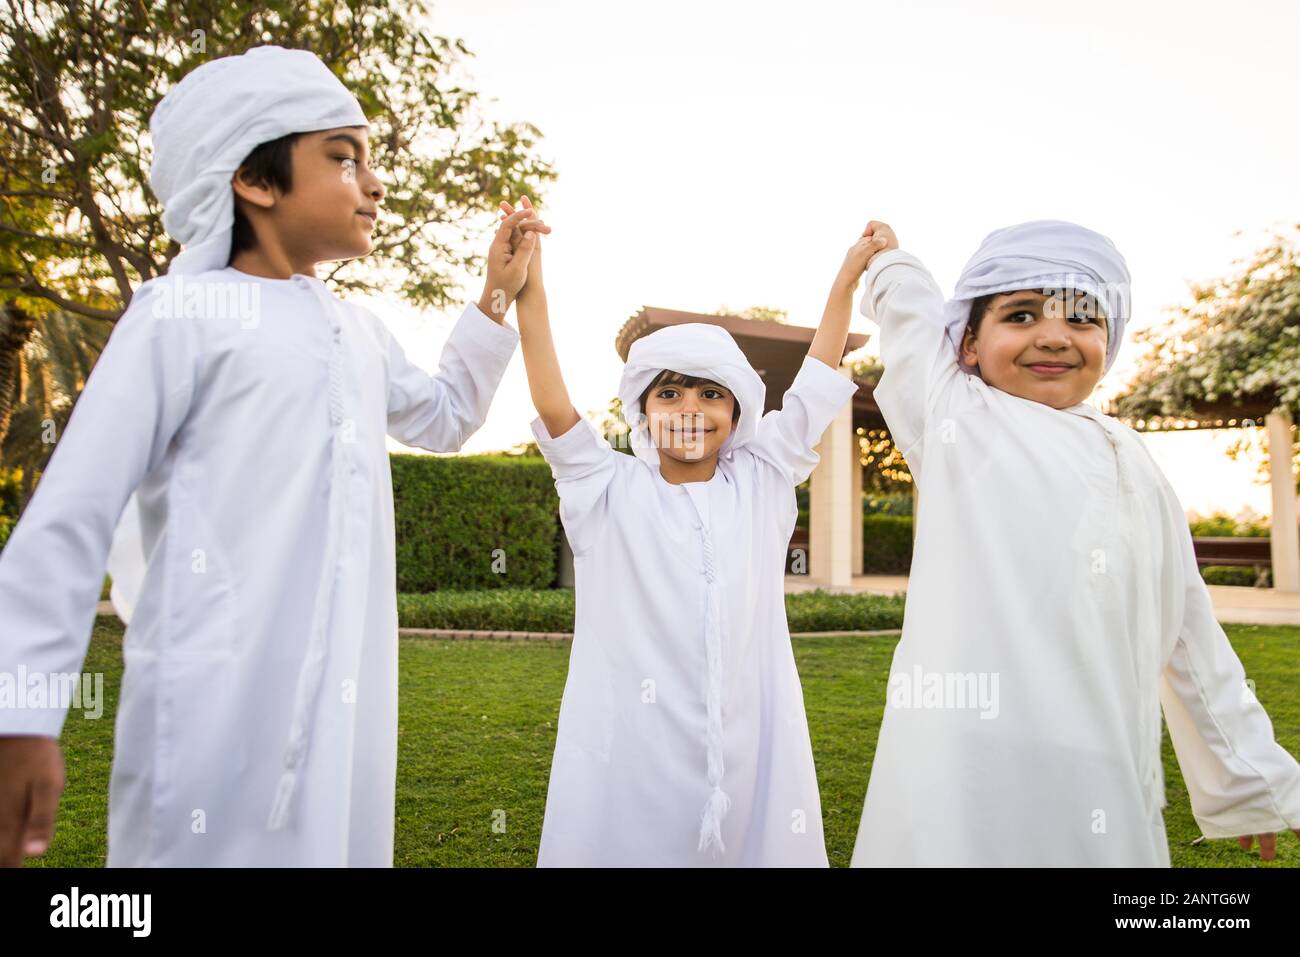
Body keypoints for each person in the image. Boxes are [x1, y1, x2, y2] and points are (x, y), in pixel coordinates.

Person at [0, 45, 548, 867]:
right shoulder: (179, 314)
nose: (375, 182)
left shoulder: (353, 329)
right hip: (210, 715)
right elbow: (73, 516)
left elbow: (442, 416)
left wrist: (496, 294)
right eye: (342, 157)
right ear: (254, 181)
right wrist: (23, 712)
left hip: (344, 715)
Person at [850, 219, 1300, 866]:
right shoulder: (957, 418)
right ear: (969, 344)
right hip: (967, 769)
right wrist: (891, 261)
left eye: (1082, 318)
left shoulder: (1134, 460)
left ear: (1107, 341)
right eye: (1022, 314)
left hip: (1105, 767)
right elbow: (913, 319)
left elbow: (1187, 628)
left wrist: (1253, 779)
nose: (1054, 336)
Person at [511, 196, 883, 865]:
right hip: (634, 758)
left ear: (738, 411)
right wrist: (530, 289)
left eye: (712, 394)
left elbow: (818, 379)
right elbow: (551, 402)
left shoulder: (762, 481)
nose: (691, 409)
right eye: (671, 392)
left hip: (747, 754)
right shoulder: (606, 488)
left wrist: (846, 280)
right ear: (643, 408)